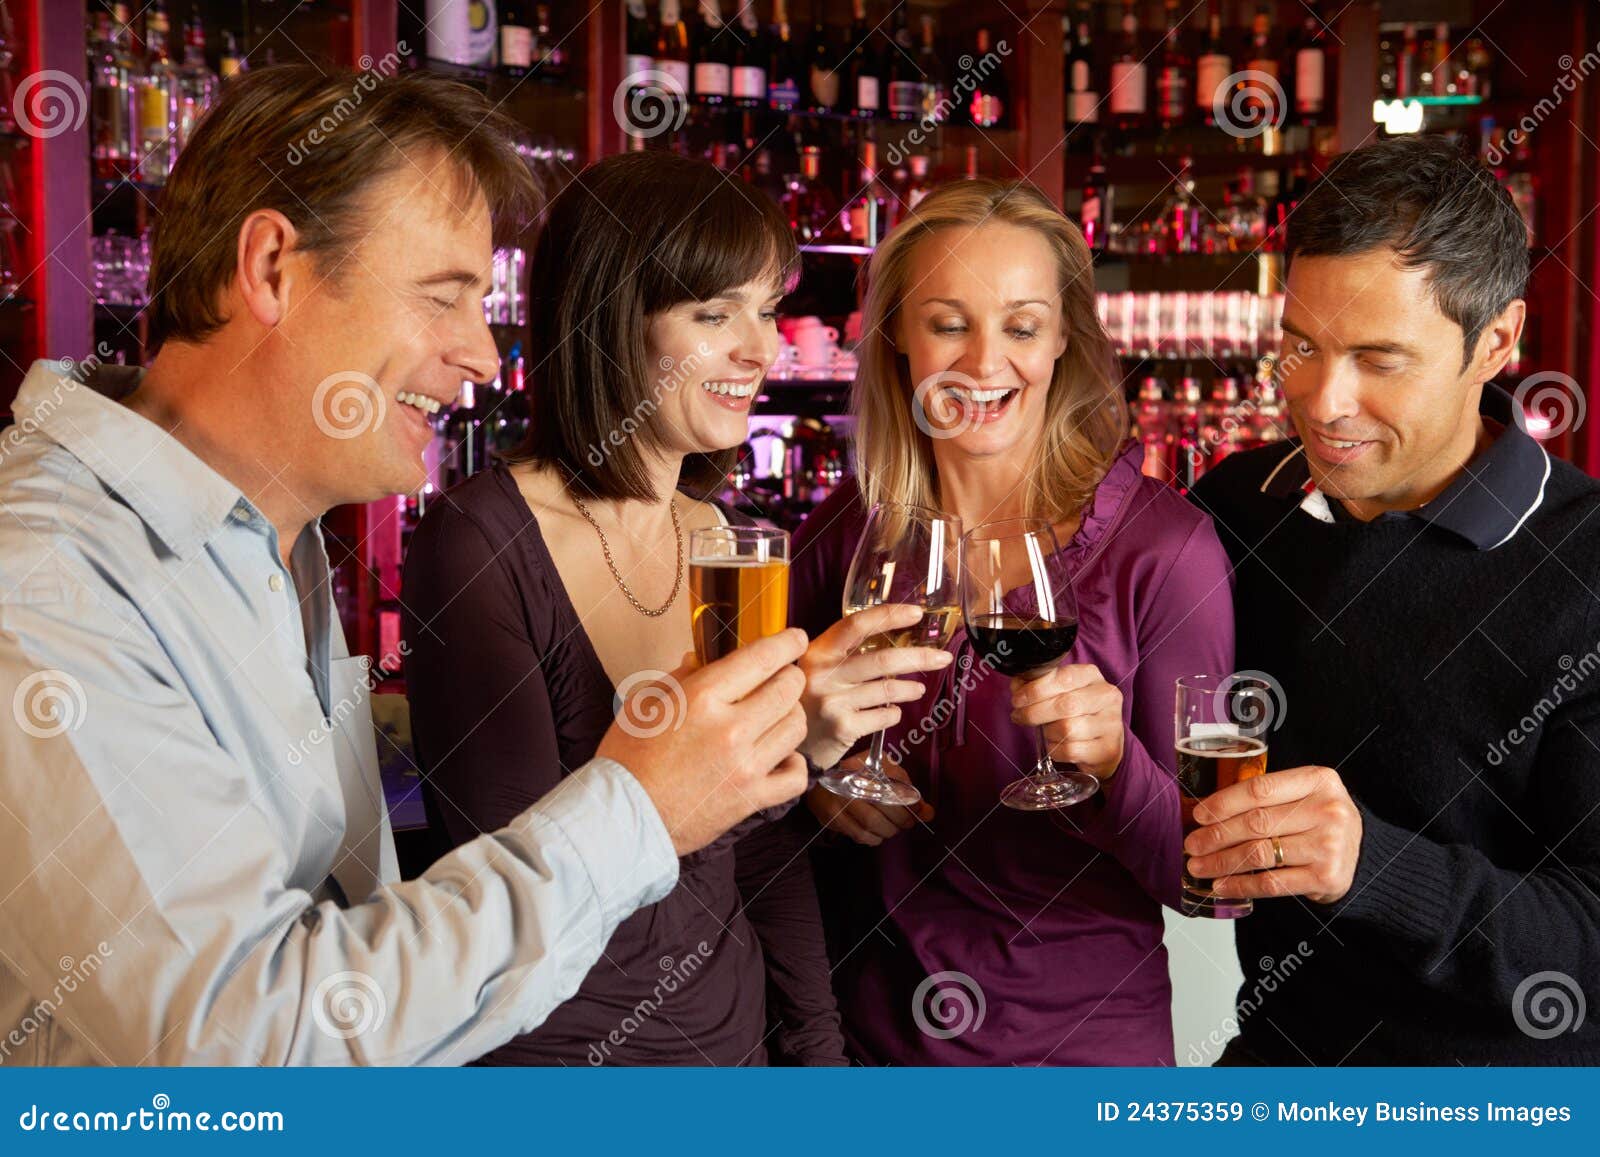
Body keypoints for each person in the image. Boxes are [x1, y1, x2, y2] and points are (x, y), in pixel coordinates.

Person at [0, 66, 812, 1066]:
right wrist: (638, 805)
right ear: (272, 270)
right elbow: (243, 1037)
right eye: (443, 297)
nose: (481, 353)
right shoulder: (42, 578)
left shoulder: (265, 535)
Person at [401, 152, 948, 1065]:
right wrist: (781, 756)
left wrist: (817, 1061)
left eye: (765, 310)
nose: (760, 347)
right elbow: (525, 906)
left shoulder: (730, 541)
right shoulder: (479, 545)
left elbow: (768, 864)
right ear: (614, 323)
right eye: (712, 313)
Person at [789, 179, 1236, 1065]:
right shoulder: (847, 535)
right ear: (897, 344)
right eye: (949, 323)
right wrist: (813, 782)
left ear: (1064, 337)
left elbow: (1209, 878)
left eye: (1022, 326)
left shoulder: (1165, 552)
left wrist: (1115, 765)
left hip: (1072, 1066)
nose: (984, 364)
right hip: (865, 1051)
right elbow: (762, 782)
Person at [1189, 135, 1600, 1064]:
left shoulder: (1585, 565)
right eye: (1301, 346)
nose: (1323, 400)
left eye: (1380, 359)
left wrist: (1372, 866)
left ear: (1496, 341)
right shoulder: (1235, 507)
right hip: (1277, 1059)